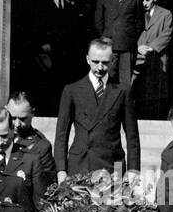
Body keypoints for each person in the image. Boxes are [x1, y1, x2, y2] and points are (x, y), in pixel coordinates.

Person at [53, 38, 141, 181]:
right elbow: (61, 135)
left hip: (112, 167)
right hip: (80, 166)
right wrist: (61, 170)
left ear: (112, 60)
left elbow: (132, 136)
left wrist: (133, 170)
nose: (100, 67)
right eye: (95, 62)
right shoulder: (72, 90)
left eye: (105, 62)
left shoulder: (122, 91)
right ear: (87, 59)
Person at [93, 0, 144, 88]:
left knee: (125, 83)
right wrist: (107, 37)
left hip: (127, 46)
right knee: (107, 80)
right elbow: (98, 22)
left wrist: (129, 36)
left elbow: (140, 23)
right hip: (109, 45)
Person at [0, 106, 43, 206]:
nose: (0, 142)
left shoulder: (30, 160)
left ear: (12, 130)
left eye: (4, 136)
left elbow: (40, 203)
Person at [5, 92, 58, 202]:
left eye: (22, 119)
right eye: (13, 118)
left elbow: (46, 191)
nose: (17, 124)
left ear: (32, 113)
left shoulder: (41, 147)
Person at [134, 0, 172, 118]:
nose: (144, 3)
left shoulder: (165, 14)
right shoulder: (136, 13)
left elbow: (167, 34)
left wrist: (152, 47)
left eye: (148, 0)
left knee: (156, 94)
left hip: (157, 58)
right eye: (142, 0)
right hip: (139, 57)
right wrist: (137, 48)